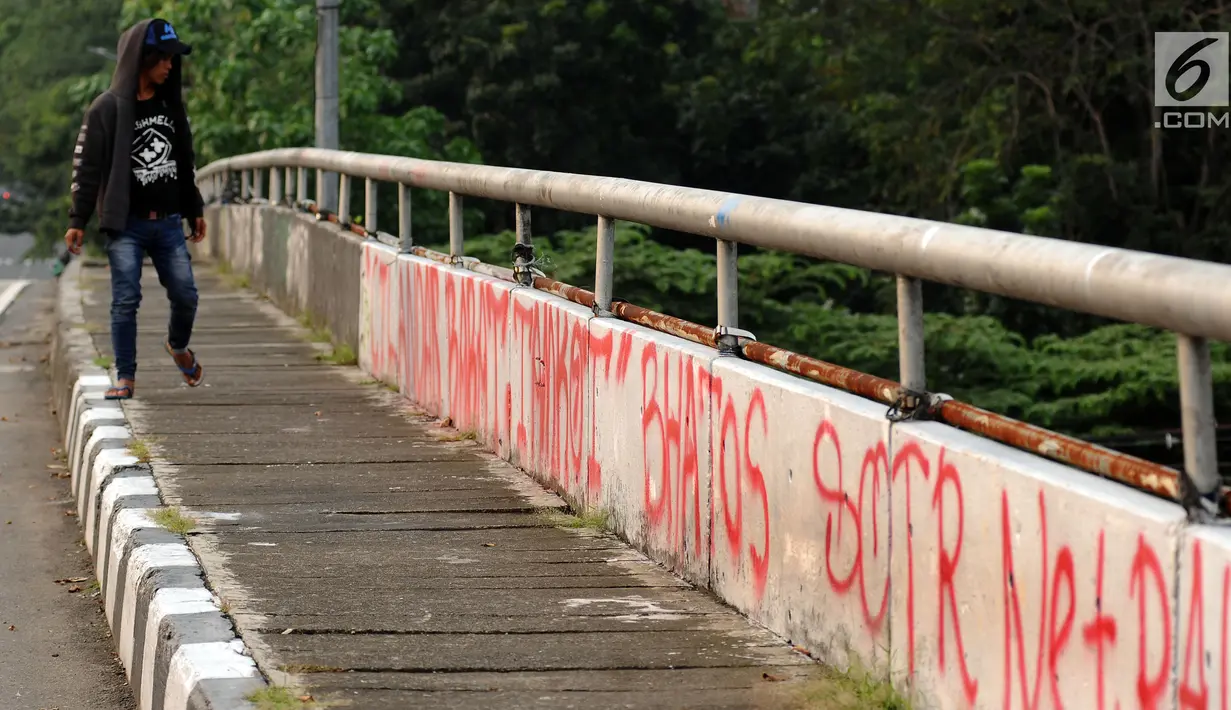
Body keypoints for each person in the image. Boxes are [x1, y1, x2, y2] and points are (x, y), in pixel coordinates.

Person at [64, 18, 206, 399]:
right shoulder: (105, 110)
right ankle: (125, 377)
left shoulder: (170, 106)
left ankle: (177, 346)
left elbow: (185, 161)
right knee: (125, 299)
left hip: (169, 223)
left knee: (186, 294)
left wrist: (195, 208)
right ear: (144, 58)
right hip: (125, 224)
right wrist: (78, 219)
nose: (170, 66)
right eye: (164, 58)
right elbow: (87, 167)